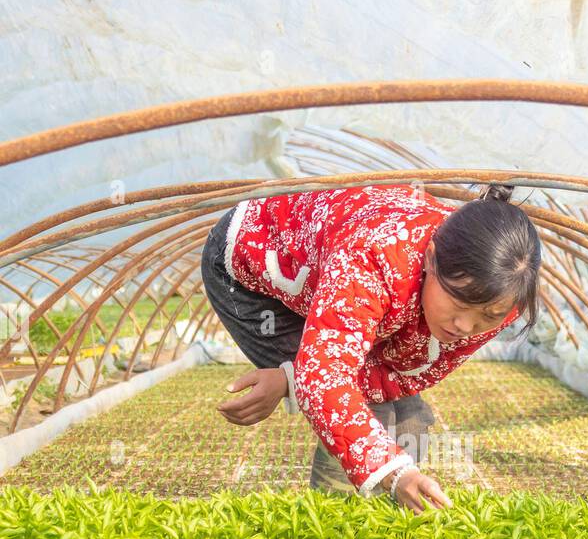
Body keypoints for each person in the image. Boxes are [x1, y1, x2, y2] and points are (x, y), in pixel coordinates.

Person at [200, 182, 541, 512]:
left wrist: (291, 379)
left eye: (487, 316)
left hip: (340, 273)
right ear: (431, 259)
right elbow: (326, 378)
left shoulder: (500, 299)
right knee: (360, 408)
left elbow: (407, 373)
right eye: (458, 304)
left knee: (407, 416)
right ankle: (334, 524)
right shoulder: (375, 258)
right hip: (257, 258)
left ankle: (397, 514)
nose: (465, 326)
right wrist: (297, 377)